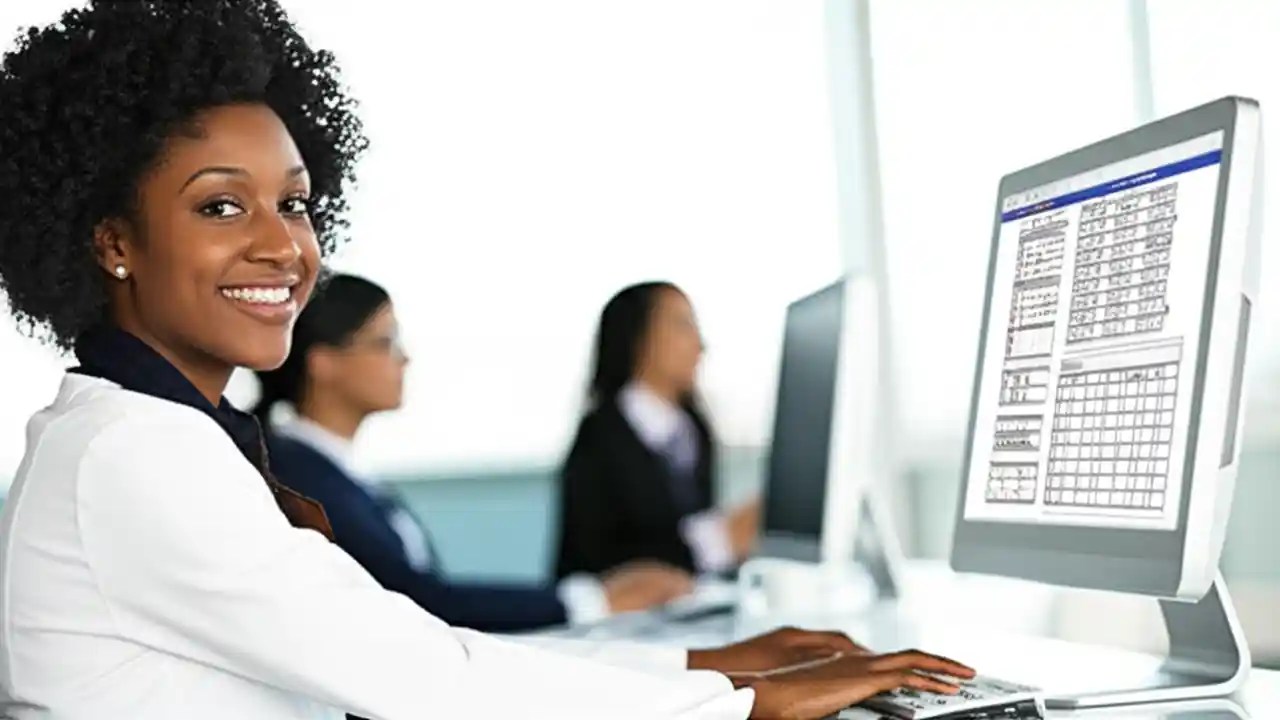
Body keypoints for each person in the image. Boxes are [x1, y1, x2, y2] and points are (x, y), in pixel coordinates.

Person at [0, 1, 974, 718]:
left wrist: (708, 667)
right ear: (108, 239)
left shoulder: (157, 436)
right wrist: (745, 698)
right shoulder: (133, 456)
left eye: (293, 203)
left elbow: (417, 648)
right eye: (221, 205)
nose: (281, 245)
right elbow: (425, 682)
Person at [253, 273, 693, 632]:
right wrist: (591, 599)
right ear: (323, 363)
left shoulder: (341, 474)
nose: (404, 360)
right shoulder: (301, 478)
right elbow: (419, 604)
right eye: (385, 343)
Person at [556, 281, 761, 580]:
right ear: (638, 336)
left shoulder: (695, 431)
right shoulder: (599, 438)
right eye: (683, 325)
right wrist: (720, 538)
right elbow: (600, 563)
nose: (700, 345)